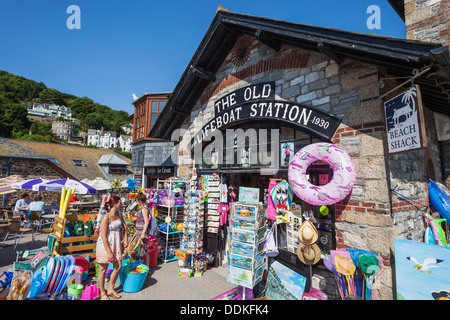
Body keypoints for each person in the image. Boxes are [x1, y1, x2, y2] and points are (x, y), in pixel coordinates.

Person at [95, 195, 128, 300]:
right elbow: (103, 236)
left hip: (117, 244)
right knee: (103, 269)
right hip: (105, 245)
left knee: (118, 266)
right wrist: (109, 252)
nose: (121, 203)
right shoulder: (106, 217)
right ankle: (102, 293)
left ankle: (111, 289)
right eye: (119, 202)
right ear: (114, 204)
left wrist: (125, 239)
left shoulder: (119, 214)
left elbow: (125, 227)